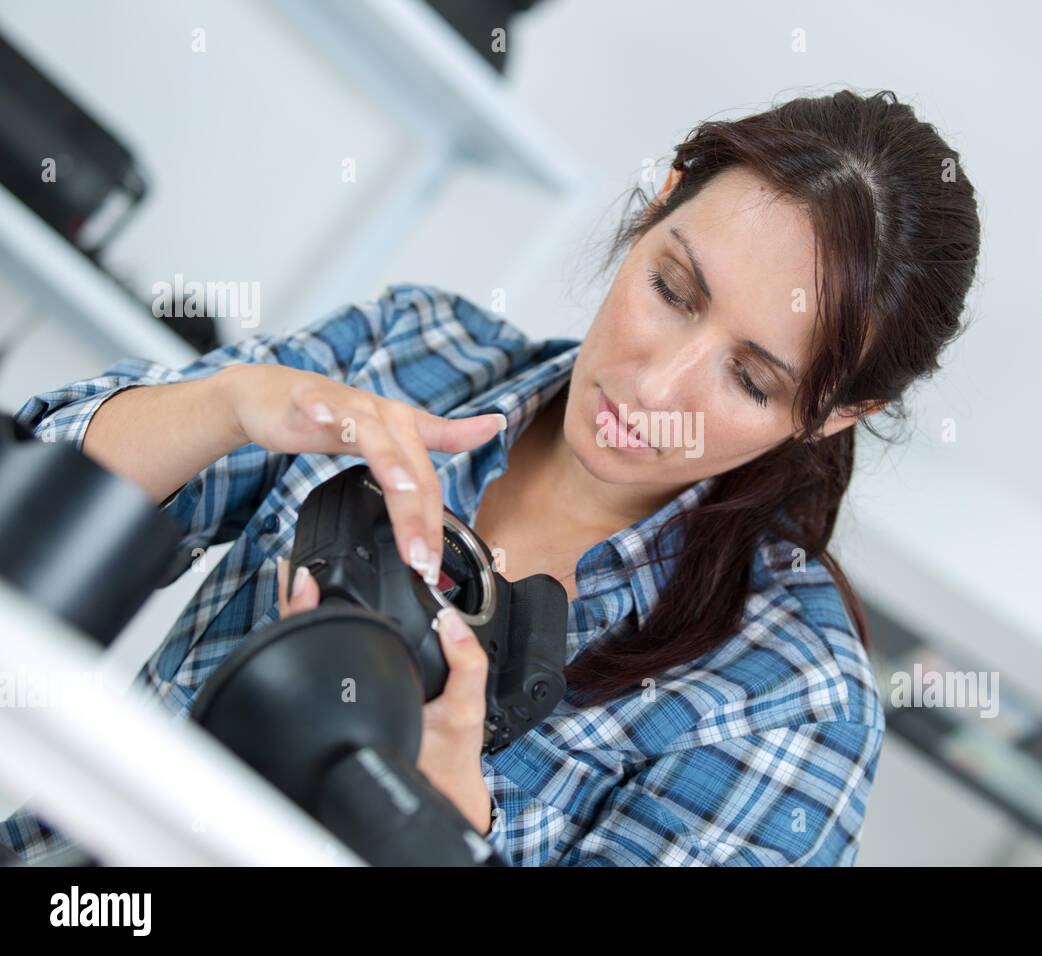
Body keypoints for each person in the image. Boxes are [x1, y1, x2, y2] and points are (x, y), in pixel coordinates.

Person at [2, 88, 980, 866]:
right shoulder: (417, 349)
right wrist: (230, 405)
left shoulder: (791, 701)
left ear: (837, 411)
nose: (658, 382)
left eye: (752, 377)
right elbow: (31, 517)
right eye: (672, 289)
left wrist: (440, 833)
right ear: (658, 201)